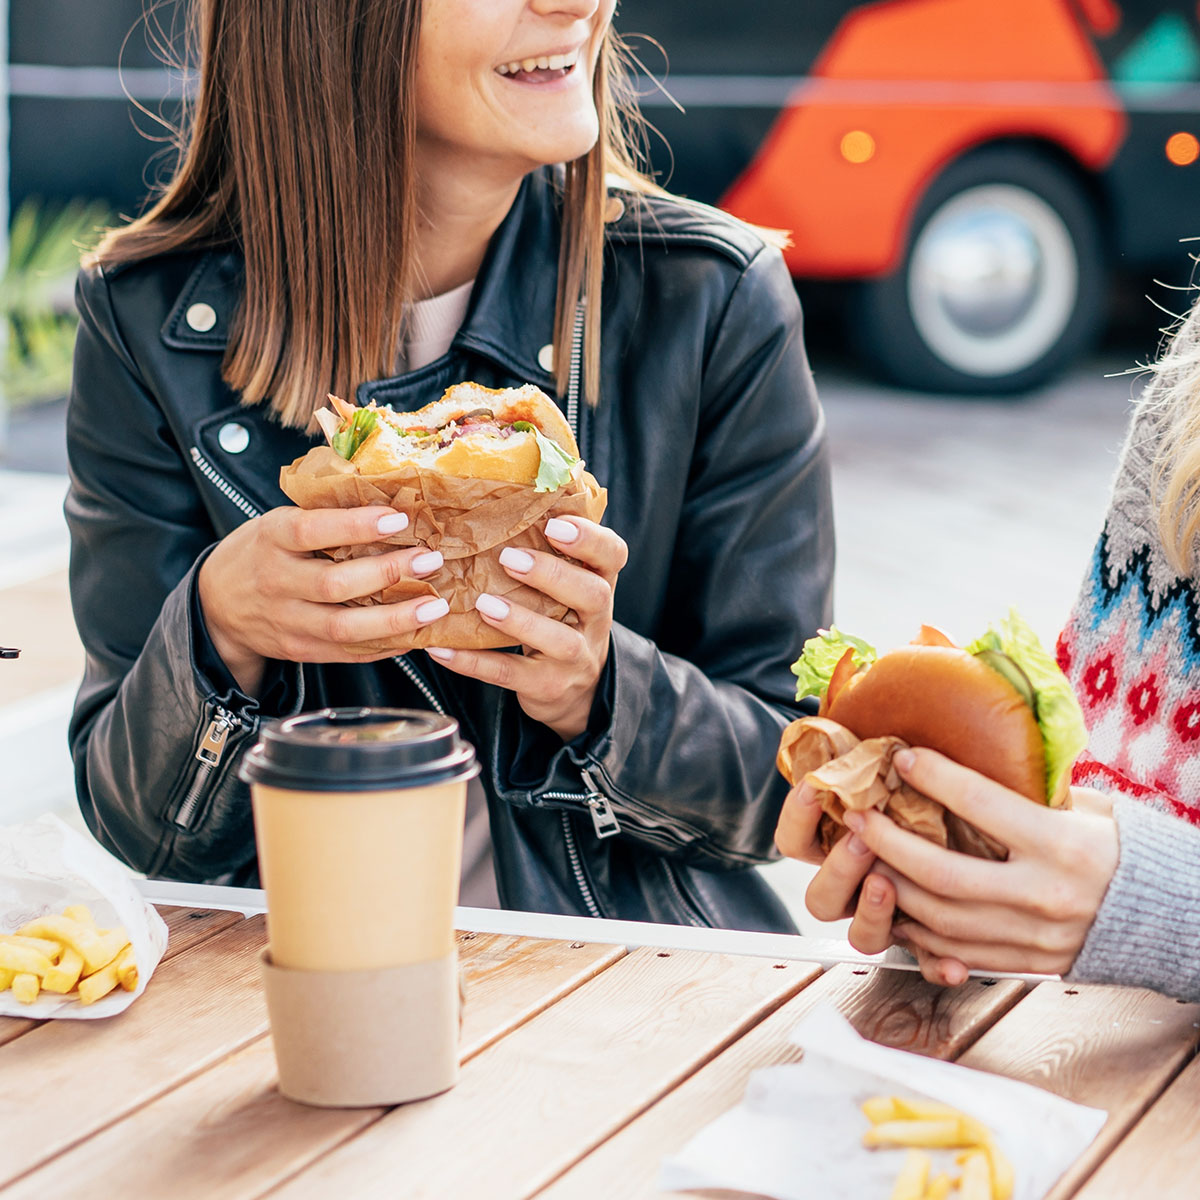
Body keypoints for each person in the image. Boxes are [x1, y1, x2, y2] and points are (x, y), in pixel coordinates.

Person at [66, 0, 833, 930]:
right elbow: (138, 836)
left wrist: (601, 693)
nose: (576, 3)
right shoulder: (146, 322)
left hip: (631, 986)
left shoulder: (711, 297)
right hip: (292, 985)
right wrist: (217, 630)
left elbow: (794, 781)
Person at [776, 292, 1200, 1002]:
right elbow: (1108, 785)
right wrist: (973, 892)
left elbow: (1142, 897)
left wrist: (1147, 913)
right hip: (1087, 1064)